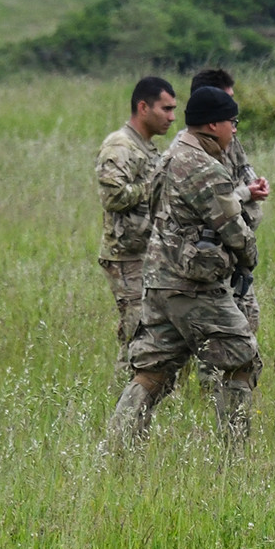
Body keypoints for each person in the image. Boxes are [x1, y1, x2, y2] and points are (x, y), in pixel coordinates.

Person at [107, 86, 260, 450]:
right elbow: (235, 231)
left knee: (153, 371)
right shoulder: (206, 168)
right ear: (213, 124)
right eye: (231, 122)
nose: (234, 130)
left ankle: (114, 452)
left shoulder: (172, 153)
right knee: (241, 359)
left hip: (159, 282)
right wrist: (249, 255)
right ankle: (235, 460)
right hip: (192, 287)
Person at [96, 77, 176, 375]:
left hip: (145, 252)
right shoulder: (121, 145)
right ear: (143, 107)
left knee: (148, 331)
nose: (171, 117)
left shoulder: (146, 147)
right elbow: (113, 196)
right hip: (126, 255)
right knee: (137, 334)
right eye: (165, 109)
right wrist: (153, 185)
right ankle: (124, 407)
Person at [191, 68, 270, 336]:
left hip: (236, 250)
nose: (232, 119)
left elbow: (244, 169)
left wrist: (256, 185)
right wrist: (246, 193)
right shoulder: (192, 153)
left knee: (248, 322)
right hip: (210, 254)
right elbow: (213, 202)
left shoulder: (230, 140)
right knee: (215, 337)